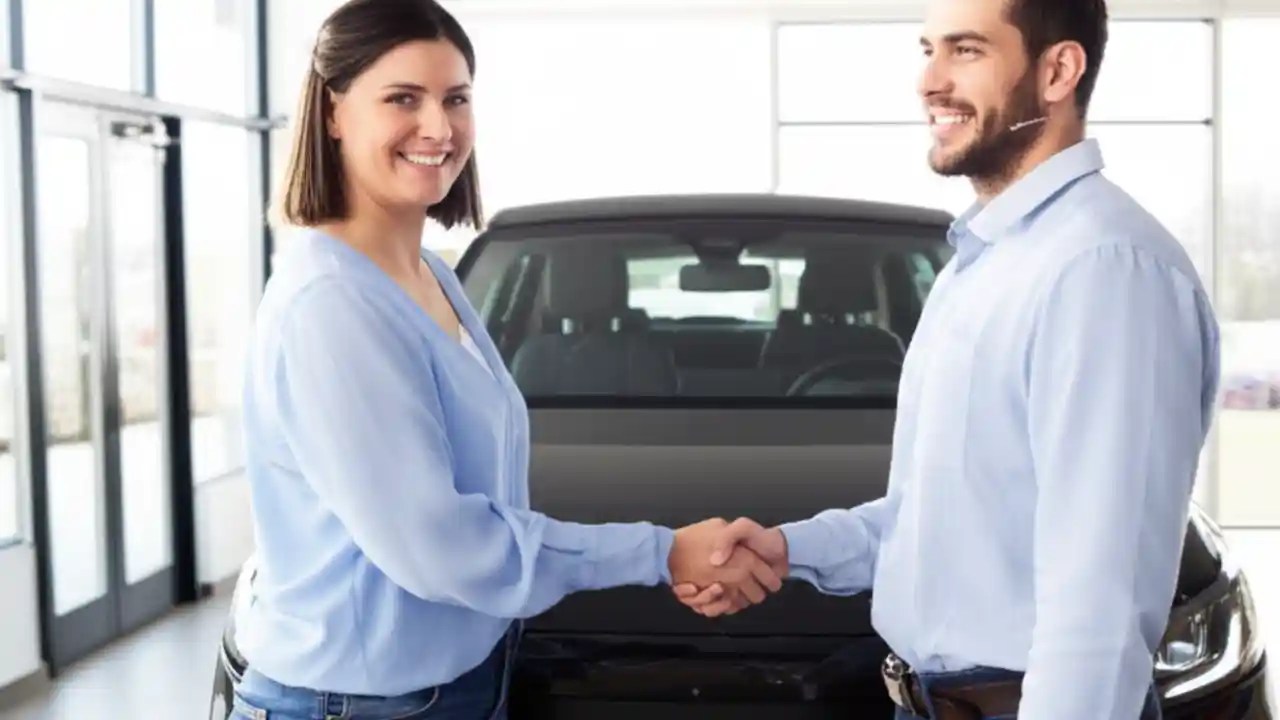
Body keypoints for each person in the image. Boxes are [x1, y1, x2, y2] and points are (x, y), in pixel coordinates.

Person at [230, 1, 783, 719]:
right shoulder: (332, 305)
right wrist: (659, 553)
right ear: (333, 112)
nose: (439, 127)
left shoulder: (434, 277)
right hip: (357, 705)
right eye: (403, 98)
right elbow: (441, 547)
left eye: (456, 98)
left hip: (455, 687)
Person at [675, 0, 1220, 718]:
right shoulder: (983, 262)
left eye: (965, 51)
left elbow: (1100, 604)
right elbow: (941, 518)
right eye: (927, 49)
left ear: (1057, 70)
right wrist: (789, 548)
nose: (929, 81)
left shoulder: (1102, 269)